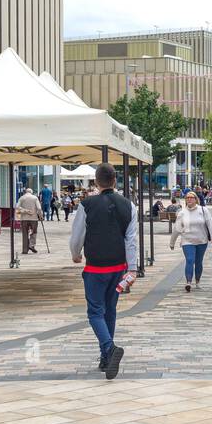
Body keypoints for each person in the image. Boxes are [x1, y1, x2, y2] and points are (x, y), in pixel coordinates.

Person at [68, 162, 137, 380]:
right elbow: (131, 240)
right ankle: (105, 357)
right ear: (115, 180)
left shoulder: (86, 205)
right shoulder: (129, 205)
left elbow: (77, 233)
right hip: (118, 267)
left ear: (96, 182)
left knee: (95, 312)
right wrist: (133, 268)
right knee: (110, 310)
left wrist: (76, 253)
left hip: (95, 266)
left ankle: (109, 347)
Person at [170, 190, 212, 292]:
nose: (189, 199)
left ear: (196, 199)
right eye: (187, 198)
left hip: (201, 240)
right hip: (187, 241)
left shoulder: (203, 210)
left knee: (198, 262)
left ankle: (197, 281)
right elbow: (177, 229)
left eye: (191, 197)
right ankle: (188, 282)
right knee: (190, 260)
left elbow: (210, 224)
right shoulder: (182, 213)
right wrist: (172, 242)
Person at [16, 186, 43, 254]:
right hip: (34, 219)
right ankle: (31, 245)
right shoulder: (35, 198)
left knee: (25, 233)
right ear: (31, 192)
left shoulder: (22, 198)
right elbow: (39, 208)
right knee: (34, 232)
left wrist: (25, 211)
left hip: (24, 219)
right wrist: (41, 216)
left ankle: (25, 250)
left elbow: (17, 207)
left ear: (26, 192)